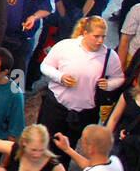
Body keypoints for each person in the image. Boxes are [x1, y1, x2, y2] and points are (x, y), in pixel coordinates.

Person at [38, 15, 124, 144]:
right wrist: (60, 77)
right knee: (44, 143)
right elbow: (45, 66)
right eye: (96, 36)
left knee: (68, 147)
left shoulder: (109, 56)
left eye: (103, 37)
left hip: (83, 114)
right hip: (55, 108)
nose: (100, 41)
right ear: (85, 33)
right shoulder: (66, 46)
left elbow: (119, 78)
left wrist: (109, 84)